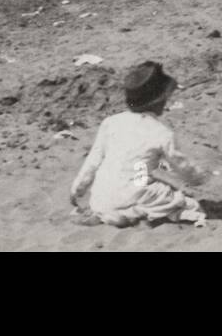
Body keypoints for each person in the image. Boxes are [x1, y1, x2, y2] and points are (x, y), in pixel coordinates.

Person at [70, 61, 209, 227]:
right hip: (135, 191)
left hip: (101, 196)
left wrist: (77, 189)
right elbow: (181, 165)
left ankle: (121, 212)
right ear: (156, 101)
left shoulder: (111, 122)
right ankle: (138, 211)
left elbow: (93, 162)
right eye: (164, 99)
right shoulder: (162, 133)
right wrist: (199, 178)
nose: (165, 103)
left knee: (140, 181)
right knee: (188, 204)